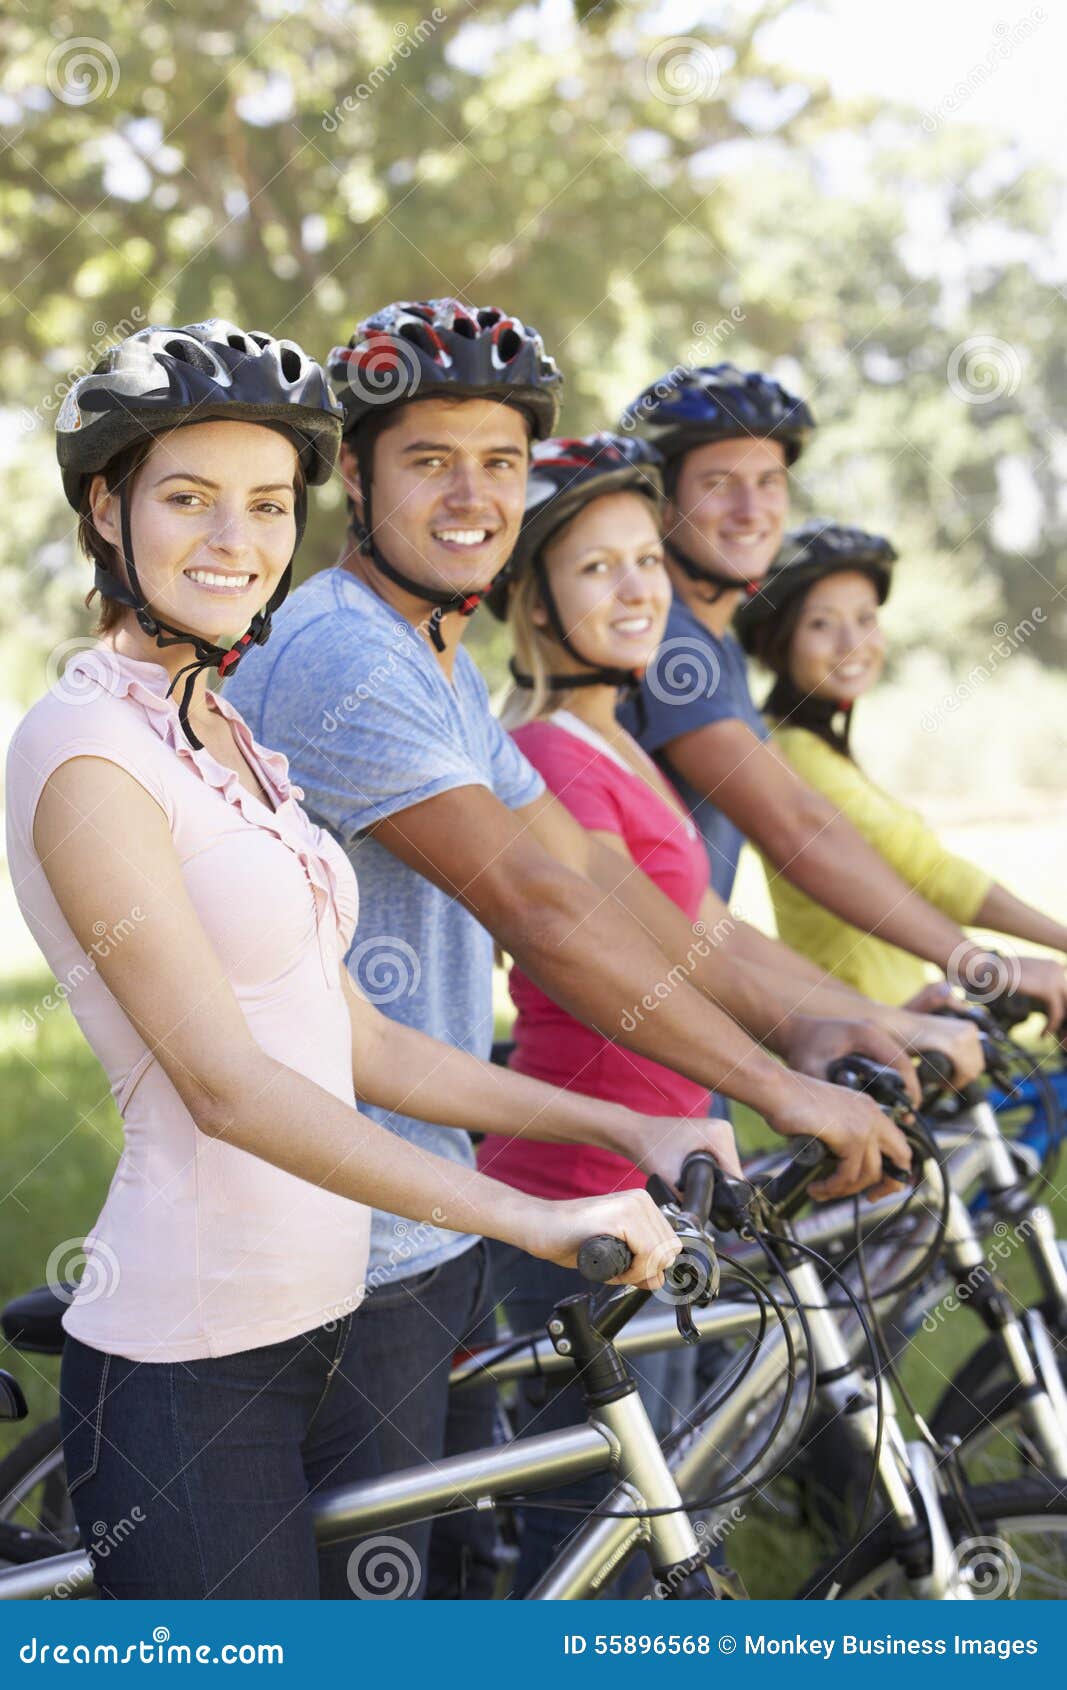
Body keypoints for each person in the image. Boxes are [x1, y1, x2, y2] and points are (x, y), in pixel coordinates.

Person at [224, 301, 930, 1596]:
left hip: (426, 1213)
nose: (470, 494)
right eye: (428, 459)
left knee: (463, 1588)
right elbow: (538, 914)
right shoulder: (338, 655)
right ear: (358, 477)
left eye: (497, 461)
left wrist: (813, 1026)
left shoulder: (428, 660)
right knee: (386, 1625)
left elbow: (601, 879)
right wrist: (776, 1088)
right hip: (340, 1239)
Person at [5, 319, 696, 1601]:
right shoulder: (87, 754)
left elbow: (356, 1043)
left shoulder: (227, 738)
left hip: (330, 1327)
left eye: (268, 504)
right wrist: (531, 1213)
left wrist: (623, 1126)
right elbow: (225, 1083)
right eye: (189, 499)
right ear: (108, 508)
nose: (235, 540)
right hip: (192, 1369)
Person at [616, 364, 1065, 1025]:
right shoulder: (667, 641)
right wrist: (975, 962)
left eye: (768, 483)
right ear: (660, 502)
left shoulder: (715, 650)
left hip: (681, 1039)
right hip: (631, 1038)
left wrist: (857, 1012)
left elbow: (705, 919)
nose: (751, 509)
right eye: (719, 484)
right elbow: (798, 828)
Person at [734, 518, 1067, 1010]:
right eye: (821, 623)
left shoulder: (815, 744)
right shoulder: (794, 755)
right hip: (868, 1035)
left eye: (866, 618)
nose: (853, 643)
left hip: (912, 1014)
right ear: (778, 640)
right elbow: (931, 874)